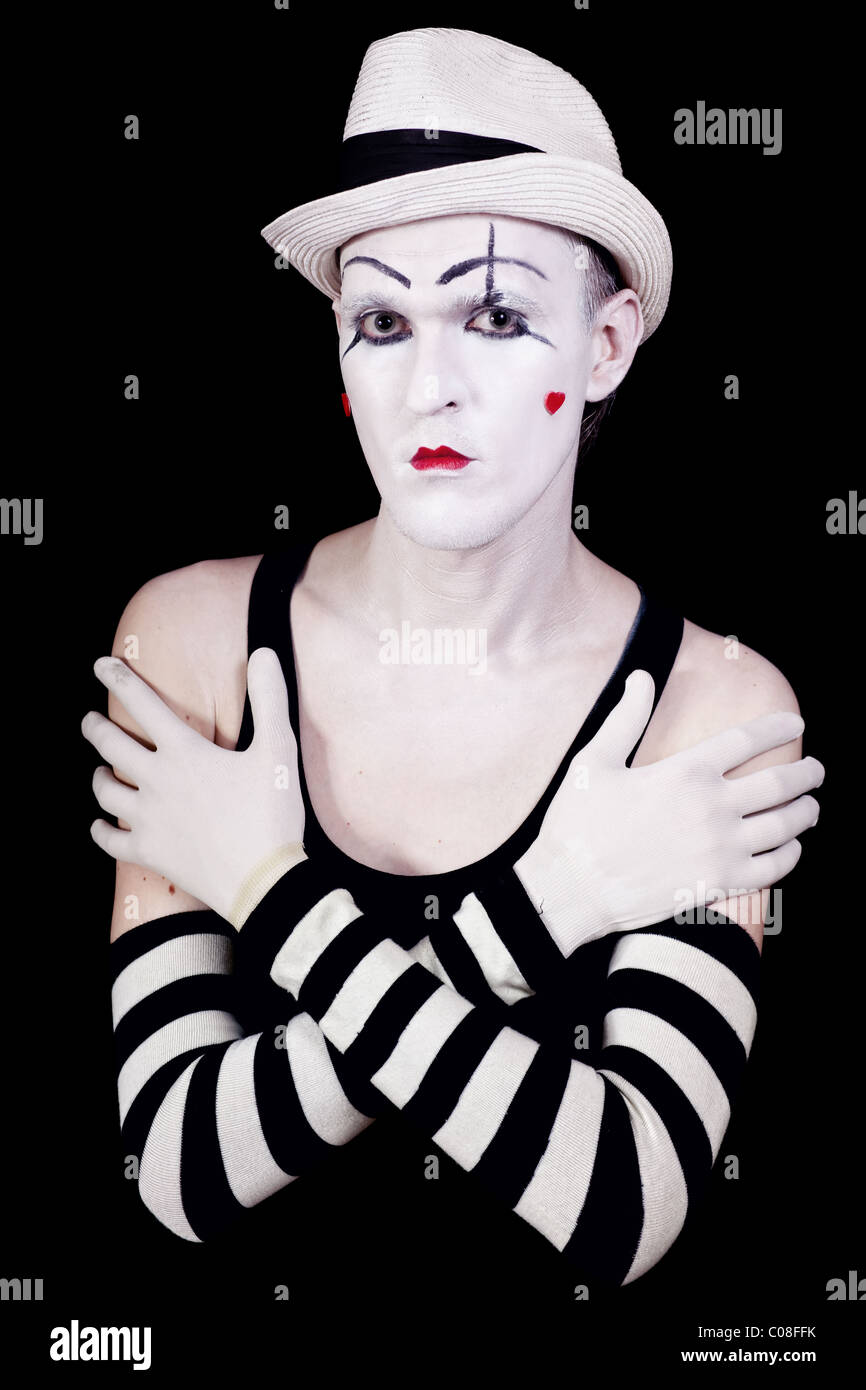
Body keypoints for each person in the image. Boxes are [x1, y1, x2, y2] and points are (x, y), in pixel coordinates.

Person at [84, 28, 823, 1293]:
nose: (429, 384)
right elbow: (177, 1165)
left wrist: (259, 883)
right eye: (380, 318)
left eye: (494, 313)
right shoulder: (191, 642)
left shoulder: (714, 706)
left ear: (604, 344)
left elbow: (618, 1210)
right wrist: (560, 900)